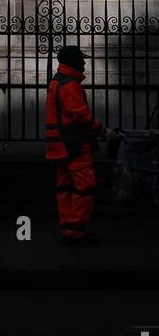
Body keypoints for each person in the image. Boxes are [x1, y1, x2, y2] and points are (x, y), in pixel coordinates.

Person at [45, 45, 111, 246]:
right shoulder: (70, 85)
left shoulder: (57, 82)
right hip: (74, 145)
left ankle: (68, 226)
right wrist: (103, 131)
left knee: (64, 186)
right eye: (81, 60)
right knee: (86, 186)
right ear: (72, 62)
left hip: (60, 146)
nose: (84, 63)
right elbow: (81, 116)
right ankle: (75, 231)